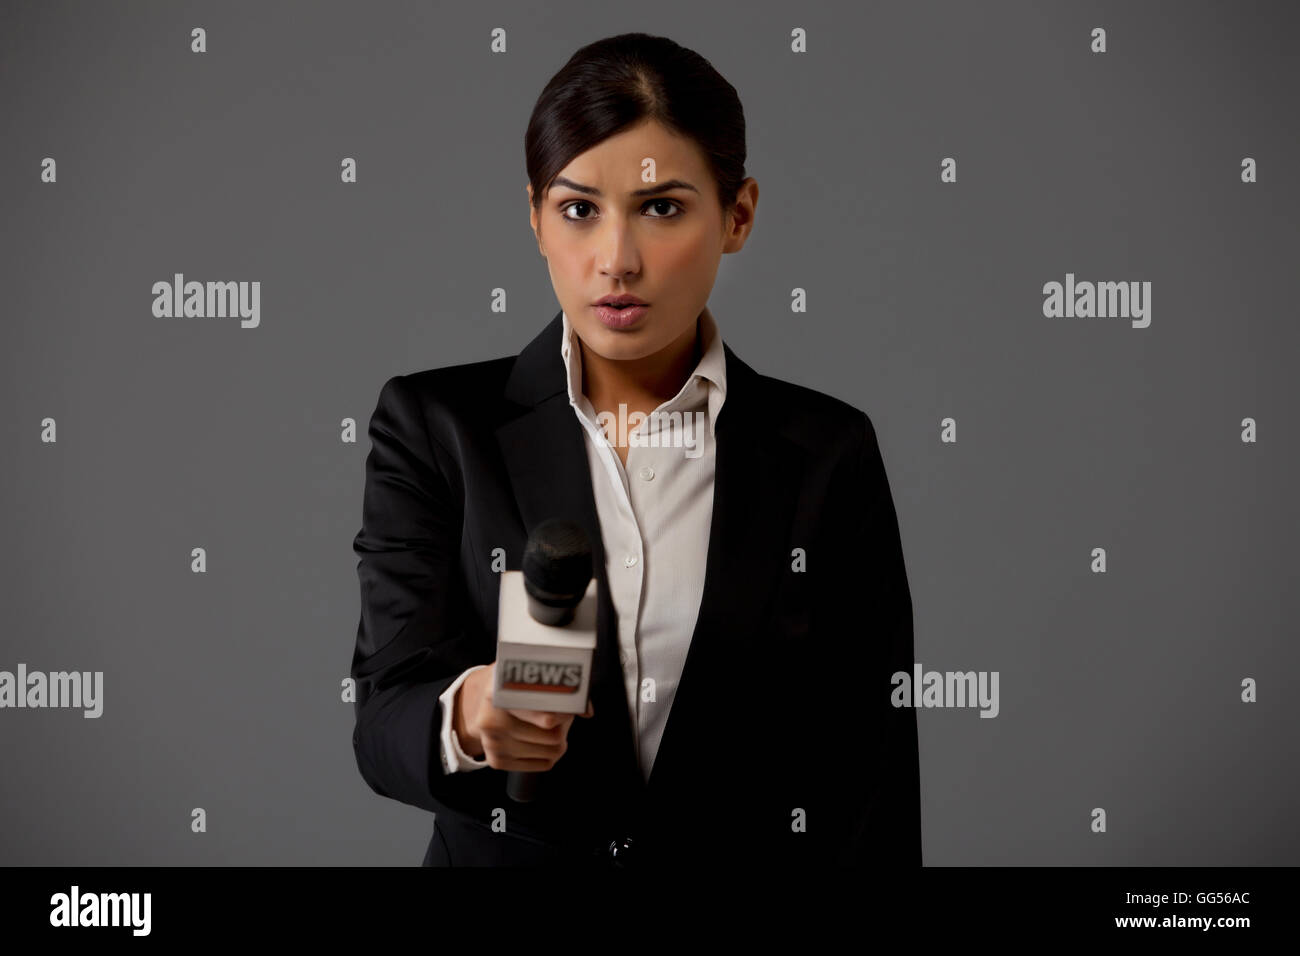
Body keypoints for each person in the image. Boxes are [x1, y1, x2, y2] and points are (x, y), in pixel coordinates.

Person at [349, 32, 920, 868]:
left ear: (738, 215)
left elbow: (871, 779)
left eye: (661, 208)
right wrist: (471, 717)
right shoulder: (435, 426)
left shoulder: (826, 452)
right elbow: (382, 722)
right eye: (579, 209)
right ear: (536, 218)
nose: (617, 261)